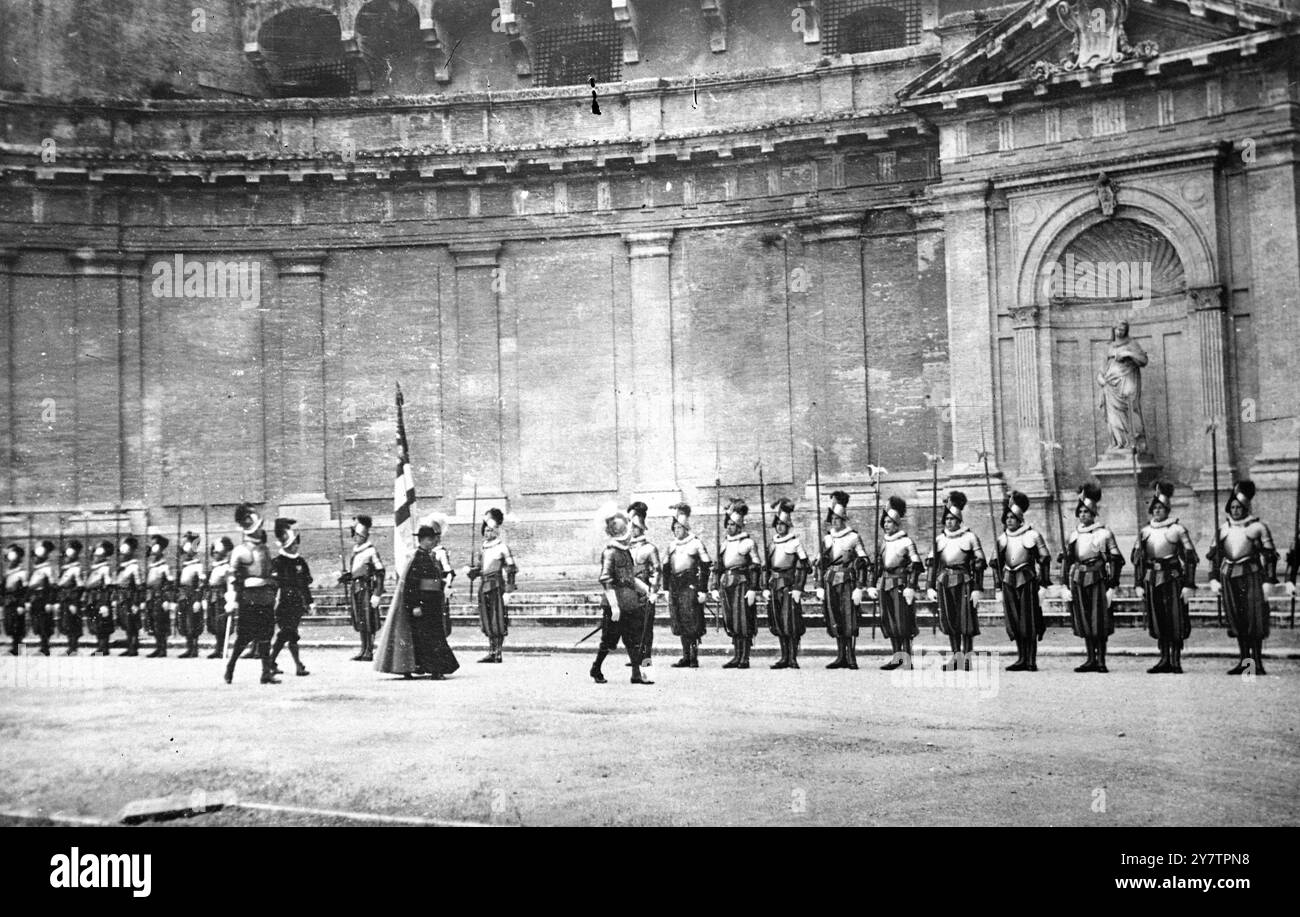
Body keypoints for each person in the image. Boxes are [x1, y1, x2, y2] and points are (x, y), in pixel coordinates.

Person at [1207, 480, 1277, 676]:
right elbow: (1214, 556)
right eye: (1233, 507)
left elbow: (1270, 555)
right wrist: (1213, 578)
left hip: (1252, 575)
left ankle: (1257, 663)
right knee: (1237, 620)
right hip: (1229, 576)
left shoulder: (1258, 527)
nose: (1236, 510)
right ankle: (1245, 662)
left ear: (1246, 507)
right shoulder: (1223, 529)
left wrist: (1269, 581)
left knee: (1254, 619)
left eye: (1239, 507)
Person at [376, 518, 460, 679]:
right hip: (423, 604)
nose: (432, 542)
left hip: (432, 603)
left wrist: (443, 586)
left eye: (432, 539)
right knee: (428, 638)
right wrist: (415, 605)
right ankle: (434, 670)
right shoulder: (417, 559)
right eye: (429, 539)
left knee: (431, 637)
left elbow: (435, 579)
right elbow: (411, 585)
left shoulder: (429, 556)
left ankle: (430, 668)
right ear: (422, 540)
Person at [1132, 482, 1197, 674]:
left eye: (1161, 508)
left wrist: (1189, 584)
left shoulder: (1178, 529)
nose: (1157, 511)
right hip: (1152, 578)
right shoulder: (1145, 531)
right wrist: (1138, 582)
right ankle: (1163, 658)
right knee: (1158, 619)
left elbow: (1190, 558)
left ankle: (1175, 660)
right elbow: (1137, 560)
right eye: (1155, 508)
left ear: (1167, 509)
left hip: (1172, 578)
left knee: (1174, 619)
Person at [1060, 483, 1124, 673]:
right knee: (1085, 620)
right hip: (1078, 579)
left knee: (1099, 621)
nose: (1083, 515)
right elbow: (1066, 561)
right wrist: (1064, 585)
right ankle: (1090, 659)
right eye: (1080, 512)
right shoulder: (1073, 535)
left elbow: (1116, 560)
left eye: (1086, 512)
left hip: (1098, 579)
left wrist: (1112, 586)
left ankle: (1101, 660)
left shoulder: (1104, 533)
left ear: (1094, 513)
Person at [590, 506, 653, 685]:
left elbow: (630, 577)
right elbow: (606, 579)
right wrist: (614, 606)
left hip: (630, 601)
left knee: (633, 640)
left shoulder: (624, 551)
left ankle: (636, 674)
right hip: (615, 603)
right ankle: (596, 668)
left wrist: (646, 590)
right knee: (608, 641)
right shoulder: (610, 552)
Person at [926, 492, 986, 671]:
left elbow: (979, 563)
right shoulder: (939, 540)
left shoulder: (970, 537)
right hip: (944, 581)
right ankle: (955, 656)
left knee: (965, 621)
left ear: (959, 520)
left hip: (964, 581)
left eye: (953, 519)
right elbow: (932, 564)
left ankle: (967, 658)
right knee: (950, 620)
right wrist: (929, 586)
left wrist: (977, 588)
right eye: (947, 519)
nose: (949, 522)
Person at [995, 491, 1052, 672]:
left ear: (1020, 519)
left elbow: (1044, 559)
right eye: (1007, 517)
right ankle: (1021, 658)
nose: (1009, 520)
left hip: (1027, 580)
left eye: (1013, 517)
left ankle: (1031, 659)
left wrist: (1043, 584)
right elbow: (995, 563)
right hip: (1008, 581)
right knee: (1014, 620)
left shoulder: (1033, 535)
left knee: (1029, 620)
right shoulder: (1002, 538)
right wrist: (998, 586)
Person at [224, 503, 280, 685]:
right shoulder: (240, 551)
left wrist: (273, 586)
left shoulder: (264, 549)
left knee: (266, 635)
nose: (260, 530)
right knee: (244, 637)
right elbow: (231, 576)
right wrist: (231, 598)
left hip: (266, 596)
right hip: (249, 597)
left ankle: (265, 672)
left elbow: (269, 571)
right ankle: (230, 667)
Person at [867, 496, 922, 671]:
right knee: (889, 622)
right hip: (884, 584)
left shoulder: (906, 541)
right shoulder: (882, 543)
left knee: (902, 622)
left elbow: (916, 565)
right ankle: (896, 657)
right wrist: (871, 584)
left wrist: (911, 586)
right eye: (884, 522)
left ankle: (906, 658)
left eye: (889, 522)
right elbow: (876, 565)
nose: (886, 525)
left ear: (897, 524)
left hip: (900, 584)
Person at [817, 491, 871, 670]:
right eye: (832, 518)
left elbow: (863, 561)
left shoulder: (853, 537)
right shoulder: (827, 538)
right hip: (830, 580)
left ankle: (851, 656)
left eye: (838, 518)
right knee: (835, 618)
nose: (834, 521)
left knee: (848, 618)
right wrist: (819, 585)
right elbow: (820, 563)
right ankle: (840, 655)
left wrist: (860, 587)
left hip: (847, 580)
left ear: (844, 519)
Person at [712, 498, 761, 670]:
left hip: (742, 584)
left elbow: (755, 566)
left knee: (743, 621)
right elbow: (717, 567)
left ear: (739, 526)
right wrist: (714, 587)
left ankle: (744, 657)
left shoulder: (748, 543)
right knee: (731, 620)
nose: (729, 527)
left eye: (733, 525)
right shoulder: (724, 544)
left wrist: (754, 589)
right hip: (726, 584)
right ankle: (736, 655)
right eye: (728, 524)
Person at [662, 503, 709, 668]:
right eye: (674, 528)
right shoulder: (672, 545)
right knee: (680, 620)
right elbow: (666, 568)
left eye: (679, 528)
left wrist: (703, 589)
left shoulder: (696, 543)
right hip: (675, 586)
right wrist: (666, 588)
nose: (676, 530)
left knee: (692, 621)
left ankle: (694, 656)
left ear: (686, 528)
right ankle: (685, 656)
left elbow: (705, 567)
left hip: (690, 586)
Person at [764, 497, 809, 670]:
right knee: (778, 622)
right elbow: (766, 567)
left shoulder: (795, 543)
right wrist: (765, 587)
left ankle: (793, 657)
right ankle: (784, 657)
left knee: (791, 622)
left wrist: (799, 588)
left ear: (788, 525)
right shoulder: (772, 544)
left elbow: (803, 567)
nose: (779, 527)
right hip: (774, 585)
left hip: (789, 586)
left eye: (782, 524)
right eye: (777, 524)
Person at [468, 507, 517, 664]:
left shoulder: (502, 547)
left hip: (496, 586)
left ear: (497, 530)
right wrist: (471, 571)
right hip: (484, 586)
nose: (488, 533)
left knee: (497, 620)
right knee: (487, 619)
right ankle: (491, 651)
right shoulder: (483, 548)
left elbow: (511, 569)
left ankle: (498, 652)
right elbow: (480, 567)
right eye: (486, 530)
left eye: (491, 530)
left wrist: (508, 591)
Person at [1096, 320, 1149, 452]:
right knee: (1113, 417)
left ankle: (1135, 443)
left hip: (1127, 380)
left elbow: (1143, 360)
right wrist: (1100, 379)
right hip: (1110, 384)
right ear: (1113, 330)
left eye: (1122, 329)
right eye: (1117, 329)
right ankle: (1118, 443)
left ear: (1127, 330)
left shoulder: (1132, 343)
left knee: (1131, 407)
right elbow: (1102, 369)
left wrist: (1128, 353)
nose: (1119, 332)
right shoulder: (1109, 347)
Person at [269, 518, 312, 677]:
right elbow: (274, 584)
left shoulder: (300, 561)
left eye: (296, 544)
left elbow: (304, 583)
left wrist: (309, 601)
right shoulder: (278, 562)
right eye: (292, 544)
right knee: (289, 632)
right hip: (283, 602)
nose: (296, 547)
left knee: (287, 633)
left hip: (297, 602)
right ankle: (298, 666)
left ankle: (271, 662)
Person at [339, 515, 385, 662]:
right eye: (355, 535)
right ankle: (363, 648)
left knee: (368, 619)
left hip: (367, 588)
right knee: (360, 619)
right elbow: (355, 571)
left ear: (364, 535)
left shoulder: (371, 551)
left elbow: (380, 572)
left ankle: (369, 650)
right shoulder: (356, 551)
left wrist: (377, 593)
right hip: (356, 588)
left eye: (358, 535)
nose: (355, 538)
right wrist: (348, 576)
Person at [627, 502, 661, 667]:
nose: (632, 530)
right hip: (630, 593)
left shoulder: (650, 548)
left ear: (641, 528)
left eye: (635, 527)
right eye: (630, 526)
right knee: (632, 627)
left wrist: (653, 591)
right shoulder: (625, 548)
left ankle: (646, 658)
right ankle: (635, 657)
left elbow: (657, 571)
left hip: (645, 592)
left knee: (646, 628)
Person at [174, 532, 206, 659]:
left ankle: (194, 649)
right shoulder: (182, 564)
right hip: (182, 595)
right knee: (183, 623)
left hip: (193, 595)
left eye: (188, 544)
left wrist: (198, 599)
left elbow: (202, 583)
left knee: (192, 622)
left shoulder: (198, 564)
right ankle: (188, 648)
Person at [143, 533, 174, 658]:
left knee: (161, 623)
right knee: (152, 622)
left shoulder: (165, 566)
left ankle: (163, 648)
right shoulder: (150, 566)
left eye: (155, 546)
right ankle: (157, 647)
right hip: (150, 597)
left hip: (160, 598)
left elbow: (169, 584)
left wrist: (167, 599)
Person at [114, 536, 145, 657]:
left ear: (131, 551)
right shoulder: (121, 566)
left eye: (126, 550)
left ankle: (134, 647)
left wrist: (136, 602)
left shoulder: (134, 567)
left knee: (132, 623)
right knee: (125, 623)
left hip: (130, 598)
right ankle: (129, 646)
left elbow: (139, 586)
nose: (123, 553)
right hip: (121, 597)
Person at [204, 537, 234, 659]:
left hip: (221, 596)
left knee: (221, 623)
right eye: (214, 553)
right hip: (213, 595)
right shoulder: (215, 567)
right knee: (214, 622)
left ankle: (222, 649)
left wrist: (230, 599)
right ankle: (218, 648)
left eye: (217, 553)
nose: (214, 555)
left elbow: (230, 584)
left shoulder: (227, 567)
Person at [85, 541, 116, 656]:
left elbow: (108, 587)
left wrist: (104, 603)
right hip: (92, 598)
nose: (95, 557)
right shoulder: (93, 568)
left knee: (102, 624)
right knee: (96, 623)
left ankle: (103, 648)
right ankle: (100, 647)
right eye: (95, 555)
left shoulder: (105, 569)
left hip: (101, 598)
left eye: (98, 556)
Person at [55, 539, 86, 656]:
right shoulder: (65, 568)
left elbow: (80, 586)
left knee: (72, 625)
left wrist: (73, 601)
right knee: (66, 624)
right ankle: (70, 648)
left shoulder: (76, 569)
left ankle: (73, 648)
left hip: (72, 600)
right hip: (64, 599)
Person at [28, 540, 57, 656]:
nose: (34, 559)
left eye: (37, 557)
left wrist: (50, 601)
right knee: (37, 624)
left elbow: (52, 587)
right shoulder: (35, 569)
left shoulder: (48, 569)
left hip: (44, 600)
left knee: (45, 624)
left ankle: (45, 648)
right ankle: (42, 646)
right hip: (35, 599)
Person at [2, 543, 28, 656]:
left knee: (19, 627)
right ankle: (15, 648)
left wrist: (22, 604)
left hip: (17, 602)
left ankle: (20, 650)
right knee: (10, 626)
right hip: (8, 602)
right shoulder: (6, 573)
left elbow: (25, 590)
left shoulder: (22, 573)